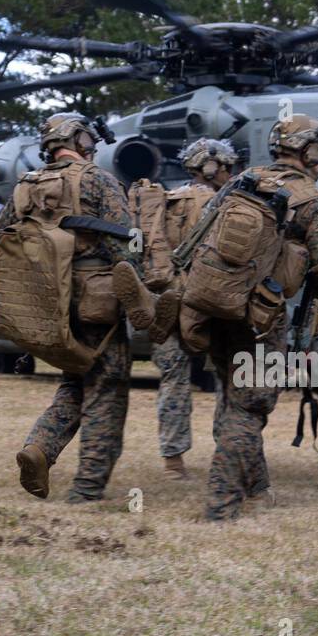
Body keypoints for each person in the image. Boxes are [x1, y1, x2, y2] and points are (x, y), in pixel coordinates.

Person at [0, 111, 168, 504]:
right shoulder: (97, 179)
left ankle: (39, 447)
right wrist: (143, 285)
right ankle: (87, 488)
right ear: (81, 142)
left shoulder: (26, 186)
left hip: (47, 304)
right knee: (106, 388)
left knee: (75, 381)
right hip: (97, 302)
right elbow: (125, 245)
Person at [191, 114, 318, 521]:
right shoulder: (315, 201)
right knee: (250, 408)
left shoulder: (237, 183)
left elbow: (198, 233)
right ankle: (220, 506)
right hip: (262, 319)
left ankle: (256, 491)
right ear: (311, 152)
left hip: (215, 307)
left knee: (232, 398)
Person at [133, 138, 238, 480]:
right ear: (219, 167)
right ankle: (228, 453)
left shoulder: (164, 202)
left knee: (173, 381)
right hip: (217, 306)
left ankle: (173, 462)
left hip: (171, 301)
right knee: (228, 381)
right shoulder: (234, 205)